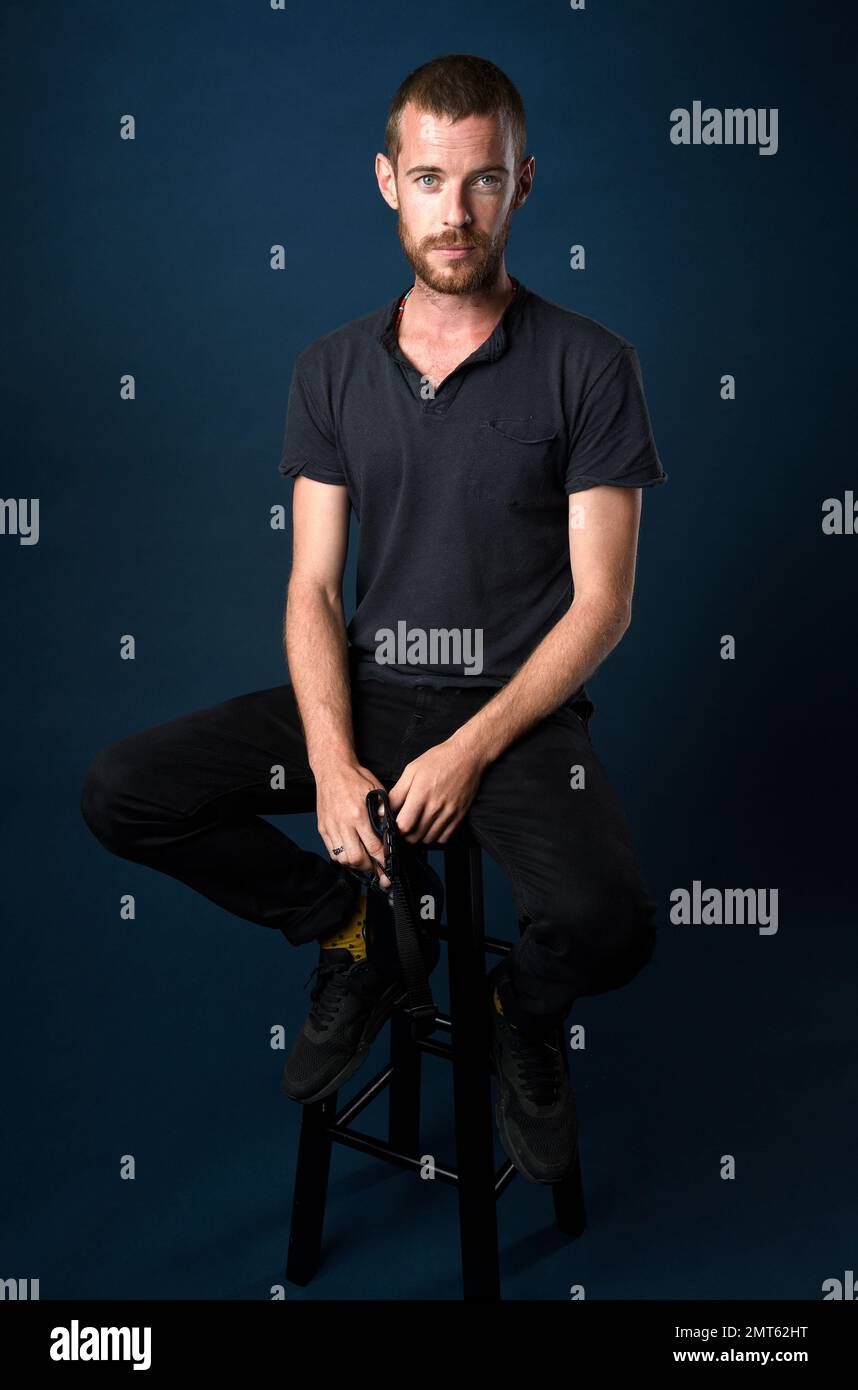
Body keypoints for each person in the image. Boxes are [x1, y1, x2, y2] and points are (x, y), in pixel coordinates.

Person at [80, 53, 668, 1186]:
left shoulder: (592, 365)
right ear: (387, 181)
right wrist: (334, 759)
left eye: (483, 181)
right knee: (122, 789)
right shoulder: (330, 369)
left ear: (525, 184)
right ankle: (355, 934)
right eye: (432, 178)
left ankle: (520, 1013)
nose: (456, 212)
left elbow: (604, 606)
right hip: (367, 698)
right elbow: (310, 587)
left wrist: (469, 747)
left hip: (516, 722)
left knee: (615, 922)